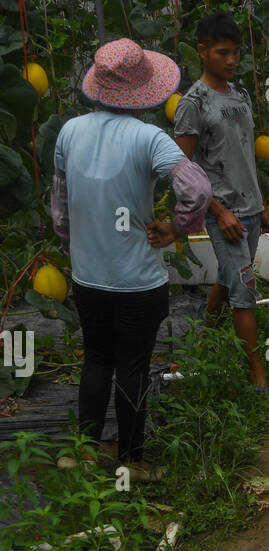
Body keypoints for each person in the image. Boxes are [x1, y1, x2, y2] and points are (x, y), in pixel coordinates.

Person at [51, 38, 211, 480]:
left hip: (89, 278)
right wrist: (178, 226)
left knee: (96, 359)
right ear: (144, 89)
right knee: (133, 367)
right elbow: (196, 190)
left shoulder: (70, 132)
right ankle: (131, 460)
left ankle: (83, 452)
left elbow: (61, 207)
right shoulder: (149, 138)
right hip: (137, 282)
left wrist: (73, 247)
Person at [173, 14, 269, 390]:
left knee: (229, 275)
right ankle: (257, 373)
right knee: (245, 286)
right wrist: (217, 211)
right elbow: (181, 168)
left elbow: (246, 155)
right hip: (223, 212)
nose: (231, 61)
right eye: (222, 53)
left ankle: (204, 340)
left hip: (250, 207)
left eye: (235, 53)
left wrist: (262, 205)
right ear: (202, 51)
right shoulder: (193, 104)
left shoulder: (240, 95)